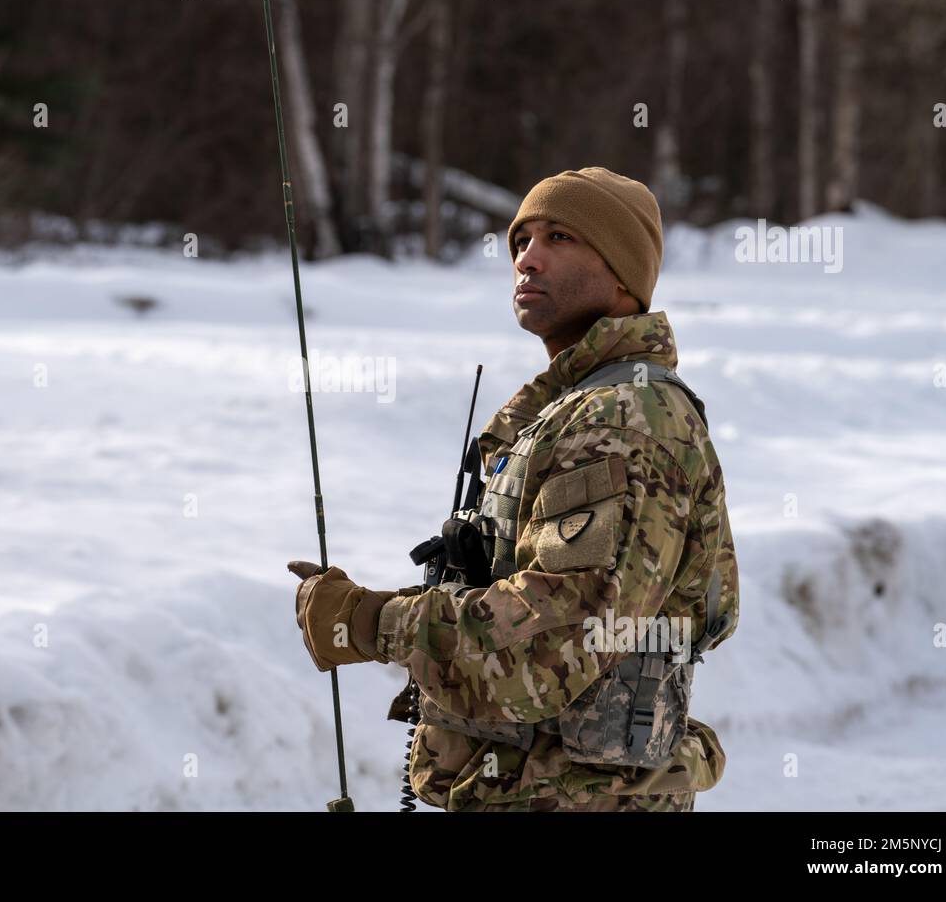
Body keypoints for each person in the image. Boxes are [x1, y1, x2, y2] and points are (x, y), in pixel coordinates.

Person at [290, 167, 739, 812]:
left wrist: (371, 622)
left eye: (559, 236)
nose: (528, 258)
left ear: (621, 273)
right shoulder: (578, 411)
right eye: (520, 240)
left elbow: (554, 640)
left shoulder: (623, 420)